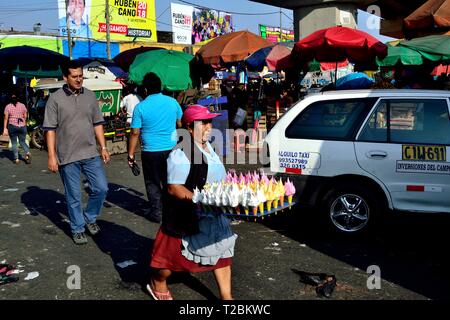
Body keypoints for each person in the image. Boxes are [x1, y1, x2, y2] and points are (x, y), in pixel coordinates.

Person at [147, 105, 237, 300]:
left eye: (209, 122)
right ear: (188, 127)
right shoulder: (181, 153)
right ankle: (158, 281)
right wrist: (199, 200)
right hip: (187, 216)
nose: (207, 126)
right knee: (170, 261)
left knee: (222, 252)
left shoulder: (207, 146)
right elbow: (174, 187)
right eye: (201, 123)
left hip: (213, 212)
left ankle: (226, 297)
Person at [43, 59, 110, 245]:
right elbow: (50, 129)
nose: (79, 80)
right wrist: (51, 156)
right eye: (74, 77)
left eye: (81, 76)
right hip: (67, 156)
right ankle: (78, 228)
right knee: (74, 196)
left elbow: (97, 123)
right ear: (65, 77)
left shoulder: (90, 96)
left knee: (101, 188)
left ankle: (89, 217)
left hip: (90, 152)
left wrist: (103, 147)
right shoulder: (55, 99)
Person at [127, 72, 183, 223]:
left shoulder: (140, 107)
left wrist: (130, 154)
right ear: (161, 87)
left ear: (145, 90)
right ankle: (172, 210)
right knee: (170, 180)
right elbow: (180, 124)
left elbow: (134, 132)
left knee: (152, 182)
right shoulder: (172, 103)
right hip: (172, 149)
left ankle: (156, 213)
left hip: (150, 151)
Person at [2, 92, 31, 164]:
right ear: (18, 98)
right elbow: (25, 116)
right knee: (22, 141)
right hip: (22, 126)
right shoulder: (22, 105)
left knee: (14, 143)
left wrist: (5, 128)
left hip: (12, 126)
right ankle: (27, 152)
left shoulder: (8, 106)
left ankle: (16, 159)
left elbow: (6, 118)